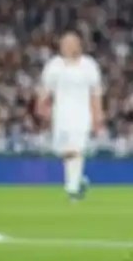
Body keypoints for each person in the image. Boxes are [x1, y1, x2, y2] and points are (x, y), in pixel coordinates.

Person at [37, 32, 104, 201]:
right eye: (65, 43)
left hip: (82, 114)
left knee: (77, 148)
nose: (68, 47)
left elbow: (95, 93)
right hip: (61, 114)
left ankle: (72, 188)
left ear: (79, 45)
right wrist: (41, 106)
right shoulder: (54, 66)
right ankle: (78, 180)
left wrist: (97, 115)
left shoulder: (88, 65)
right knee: (65, 152)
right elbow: (45, 90)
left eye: (71, 43)